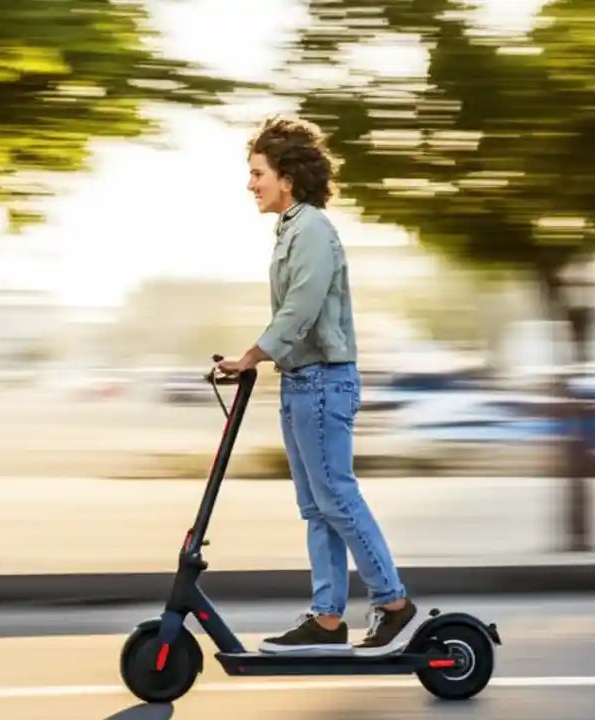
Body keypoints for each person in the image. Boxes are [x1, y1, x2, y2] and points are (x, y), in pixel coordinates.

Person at [215, 115, 417, 657]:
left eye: (258, 173)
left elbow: (300, 308)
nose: (251, 184)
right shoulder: (291, 230)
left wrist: (252, 354)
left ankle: (393, 602)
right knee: (317, 505)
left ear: (287, 176)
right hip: (303, 382)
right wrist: (262, 360)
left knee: (337, 497)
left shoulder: (312, 231)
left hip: (324, 383)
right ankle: (327, 618)